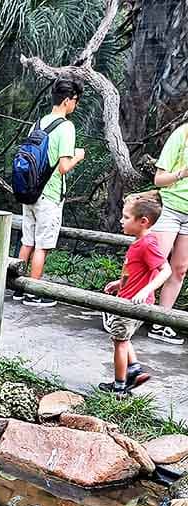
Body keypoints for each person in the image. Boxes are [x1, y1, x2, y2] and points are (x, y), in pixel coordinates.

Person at [13, 78, 85, 307]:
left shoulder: (38, 122)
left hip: (29, 191)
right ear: (66, 101)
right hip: (50, 194)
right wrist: (78, 157)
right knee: (42, 245)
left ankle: (17, 288)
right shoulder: (66, 127)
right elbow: (63, 167)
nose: (75, 105)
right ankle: (33, 293)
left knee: (27, 241)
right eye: (75, 101)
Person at [98, 192, 171, 397]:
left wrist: (146, 290)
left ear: (143, 221)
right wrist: (118, 284)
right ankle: (135, 370)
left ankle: (119, 387)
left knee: (119, 342)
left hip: (131, 303)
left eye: (126, 217)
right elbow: (132, 270)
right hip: (128, 298)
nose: (122, 221)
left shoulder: (148, 243)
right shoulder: (139, 242)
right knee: (123, 338)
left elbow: (166, 270)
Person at [151, 124, 188, 345]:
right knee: (154, 264)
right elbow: (159, 179)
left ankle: (161, 322)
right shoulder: (181, 135)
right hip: (170, 208)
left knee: (180, 269)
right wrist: (183, 173)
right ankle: (124, 312)